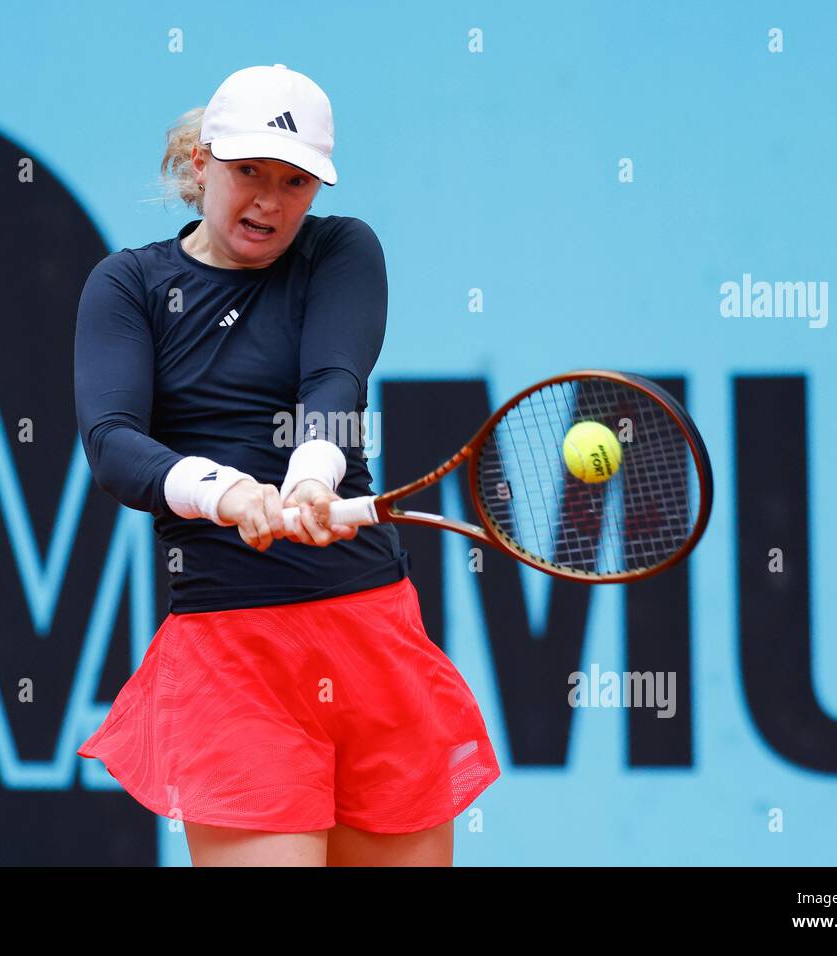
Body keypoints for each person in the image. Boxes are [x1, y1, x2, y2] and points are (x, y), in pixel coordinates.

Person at [74, 64, 500, 866]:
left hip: (370, 633)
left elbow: (335, 379)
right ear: (201, 163)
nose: (270, 201)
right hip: (233, 658)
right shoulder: (129, 286)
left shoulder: (340, 249)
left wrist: (309, 477)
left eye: (294, 181)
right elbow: (113, 443)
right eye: (249, 172)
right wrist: (227, 492)